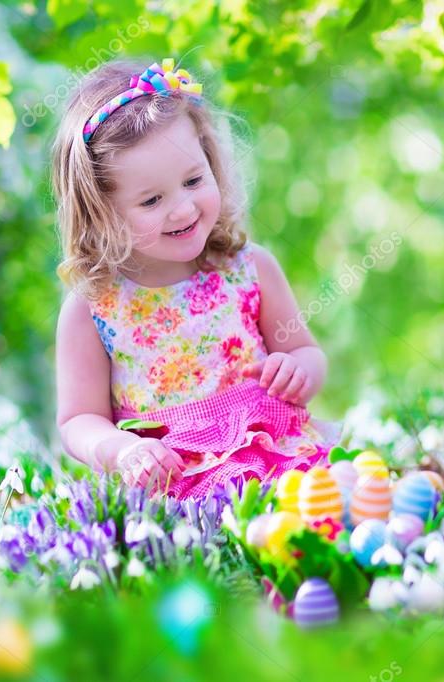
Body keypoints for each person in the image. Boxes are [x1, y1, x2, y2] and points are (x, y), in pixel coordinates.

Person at [52, 57, 340, 499]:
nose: (183, 209)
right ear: (101, 212)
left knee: (334, 500)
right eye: (151, 200)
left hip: (272, 457)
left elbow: (306, 352)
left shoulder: (249, 269)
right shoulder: (93, 308)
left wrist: (298, 370)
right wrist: (121, 449)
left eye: (192, 180)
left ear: (212, 164)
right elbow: (78, 420)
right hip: (172, 480)